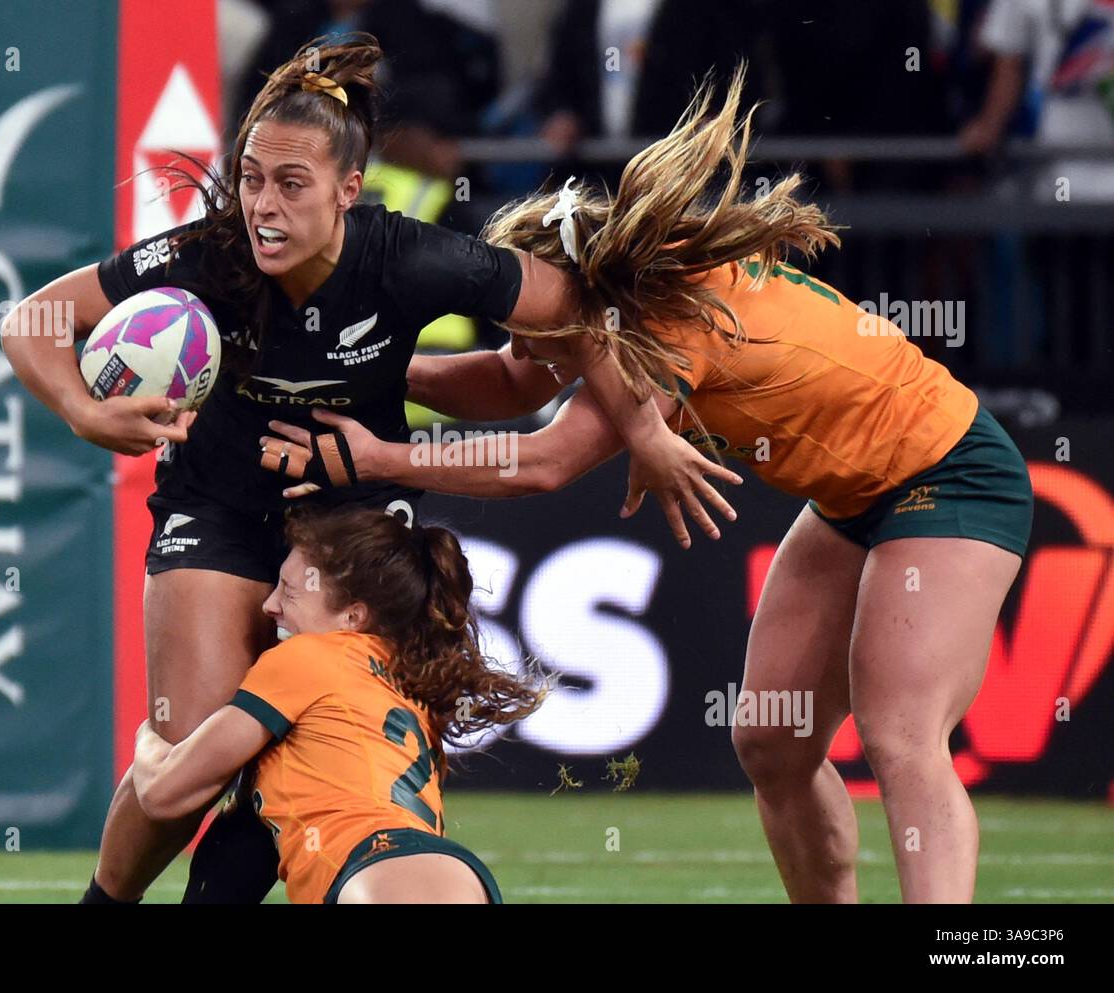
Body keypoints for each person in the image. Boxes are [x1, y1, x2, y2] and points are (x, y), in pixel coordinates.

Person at [261, 68, 1034, 903]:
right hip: (854, 499)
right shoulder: (621, 302)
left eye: (542, 337)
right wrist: (371, 368)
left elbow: (547, 459)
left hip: (950, 471)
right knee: (772, 744)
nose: (536, 358)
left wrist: (378, 457)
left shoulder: (664, 324)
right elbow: (509, 382)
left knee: (901, 731)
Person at [0, 32, 707, 905]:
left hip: (351, 515)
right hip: (216, 504)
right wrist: (83, 410)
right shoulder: (211, 253)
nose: (261, 206)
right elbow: (30, 319)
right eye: (252, 177)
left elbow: (574, 308)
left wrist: (645, 431)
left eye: (290, 185)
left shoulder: (409, 257)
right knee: (185, 763)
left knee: (320, 746)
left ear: (348, 190)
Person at [133, 506, 542, 903]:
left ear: (352, 617)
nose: (269, 605)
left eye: (289, 592)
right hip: (447, 873)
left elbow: (162, 795)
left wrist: (151, 735)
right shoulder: (411, 681)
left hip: (375, 871)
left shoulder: (304, 658)